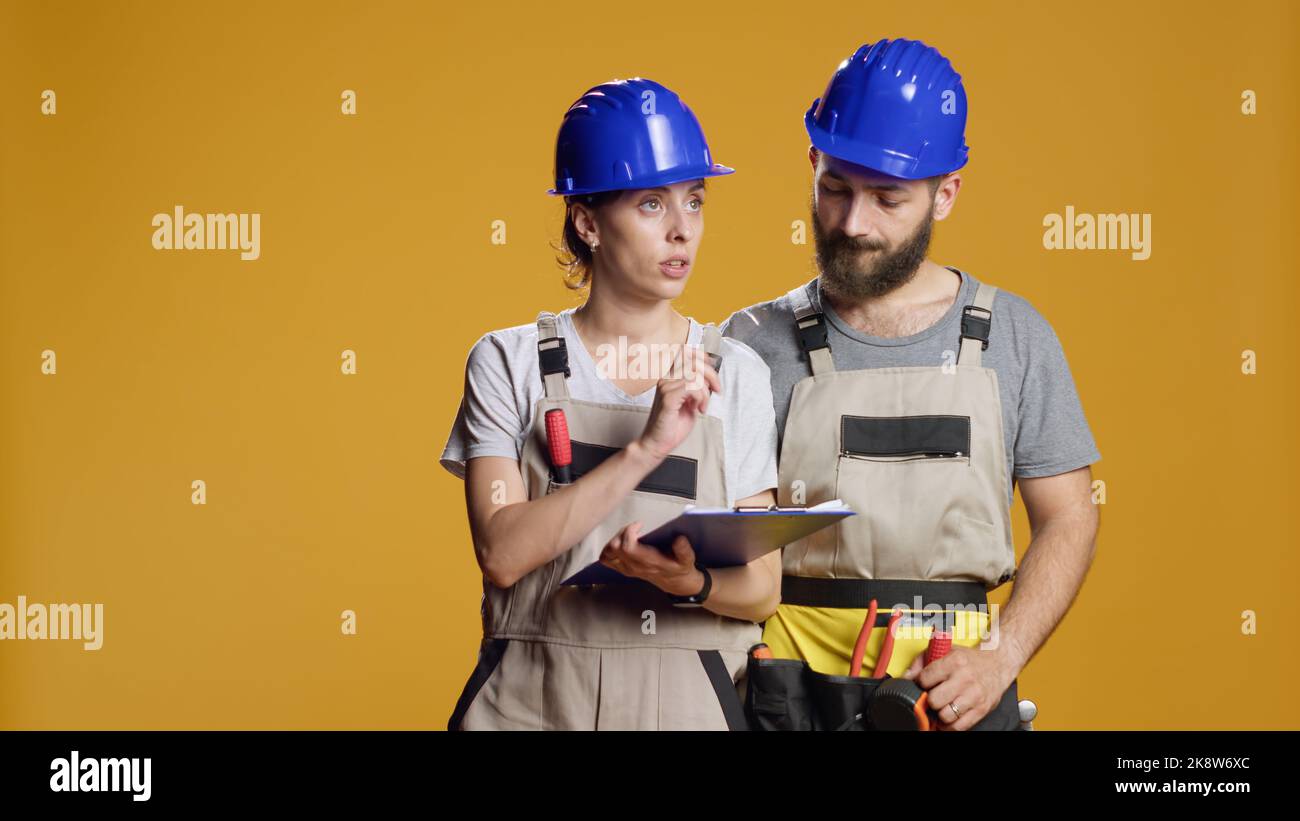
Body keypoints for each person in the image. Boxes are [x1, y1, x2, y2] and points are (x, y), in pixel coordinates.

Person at [723, 38, 1102, 730]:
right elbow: (718, 551)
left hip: (952, 699)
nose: (852, 222)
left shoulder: (1013, 335)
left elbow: (1070, 516)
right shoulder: (751, 341)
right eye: (835, 187)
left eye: (887, 198)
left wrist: (999, 656)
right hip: (786, 698)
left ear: (946, 192)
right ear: (812, 163)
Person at [440, 77, 782, 730]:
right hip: (531, 702)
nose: (683, 230)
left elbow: (763, 585)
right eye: (652, 204)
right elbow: (503, 552)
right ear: (588, 221)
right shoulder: (506, 361)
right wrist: (646, 448)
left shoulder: (735, 371)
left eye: (695, 200)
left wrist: (688, 583)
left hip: (689, 705)